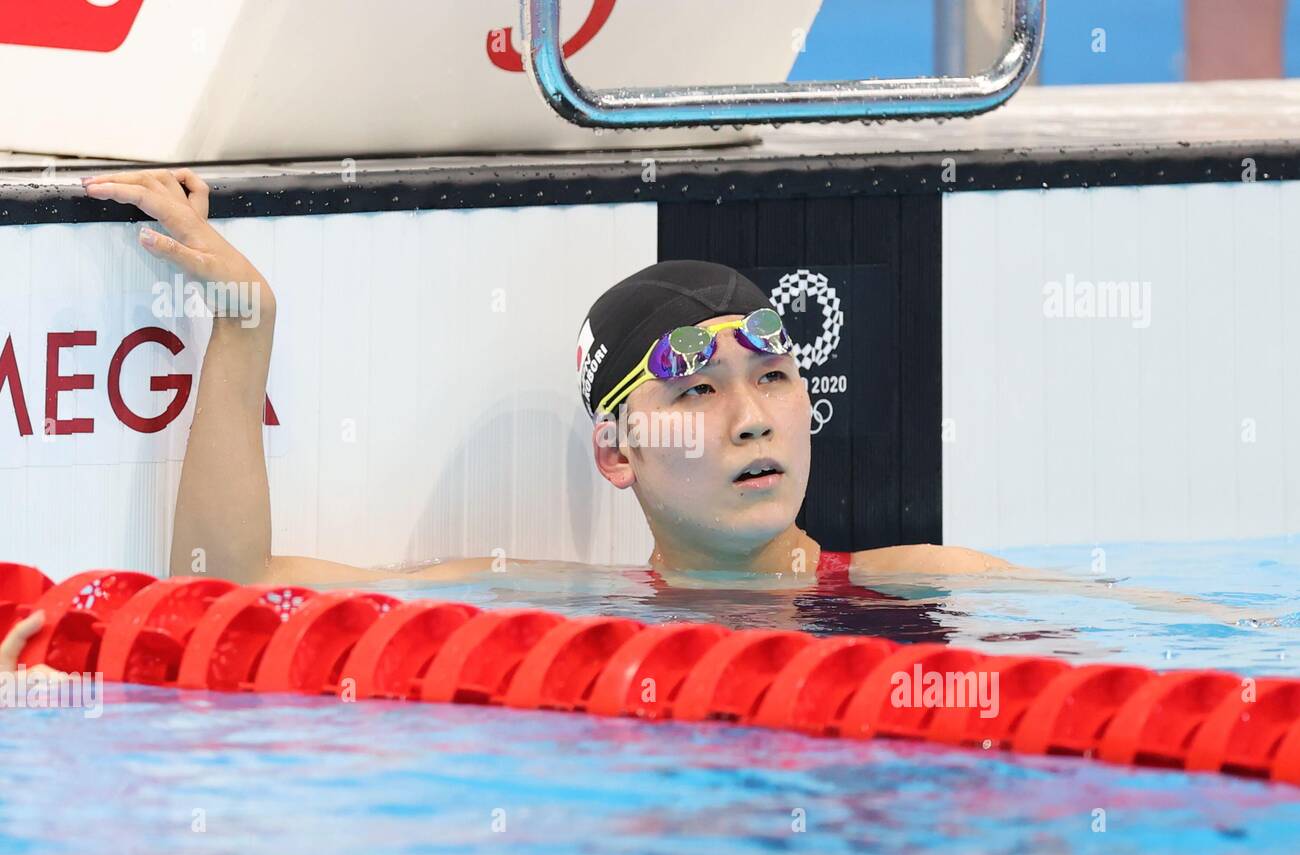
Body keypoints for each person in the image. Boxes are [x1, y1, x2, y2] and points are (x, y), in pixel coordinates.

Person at [0, 168, 1274, 674]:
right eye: (692, 391)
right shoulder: (550, 605)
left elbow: (1229, 641)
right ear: (617, 449)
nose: (748, 413)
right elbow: (225, 589)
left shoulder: (928, 586)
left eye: (772, 375)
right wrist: (243, 327)